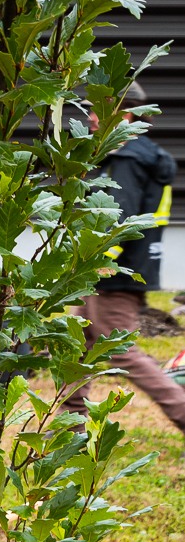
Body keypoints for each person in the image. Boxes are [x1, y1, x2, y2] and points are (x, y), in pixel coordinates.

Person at [63, 81, 182, 432]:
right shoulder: (138, 154)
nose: (92, 117)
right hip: (111, 271)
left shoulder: (127, 159)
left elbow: (119, 218)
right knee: (79, 349)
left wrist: (98, 259)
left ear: (124, 112)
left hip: (113, 272)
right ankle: (67, 432)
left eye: (99, 109)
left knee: (121, 352)